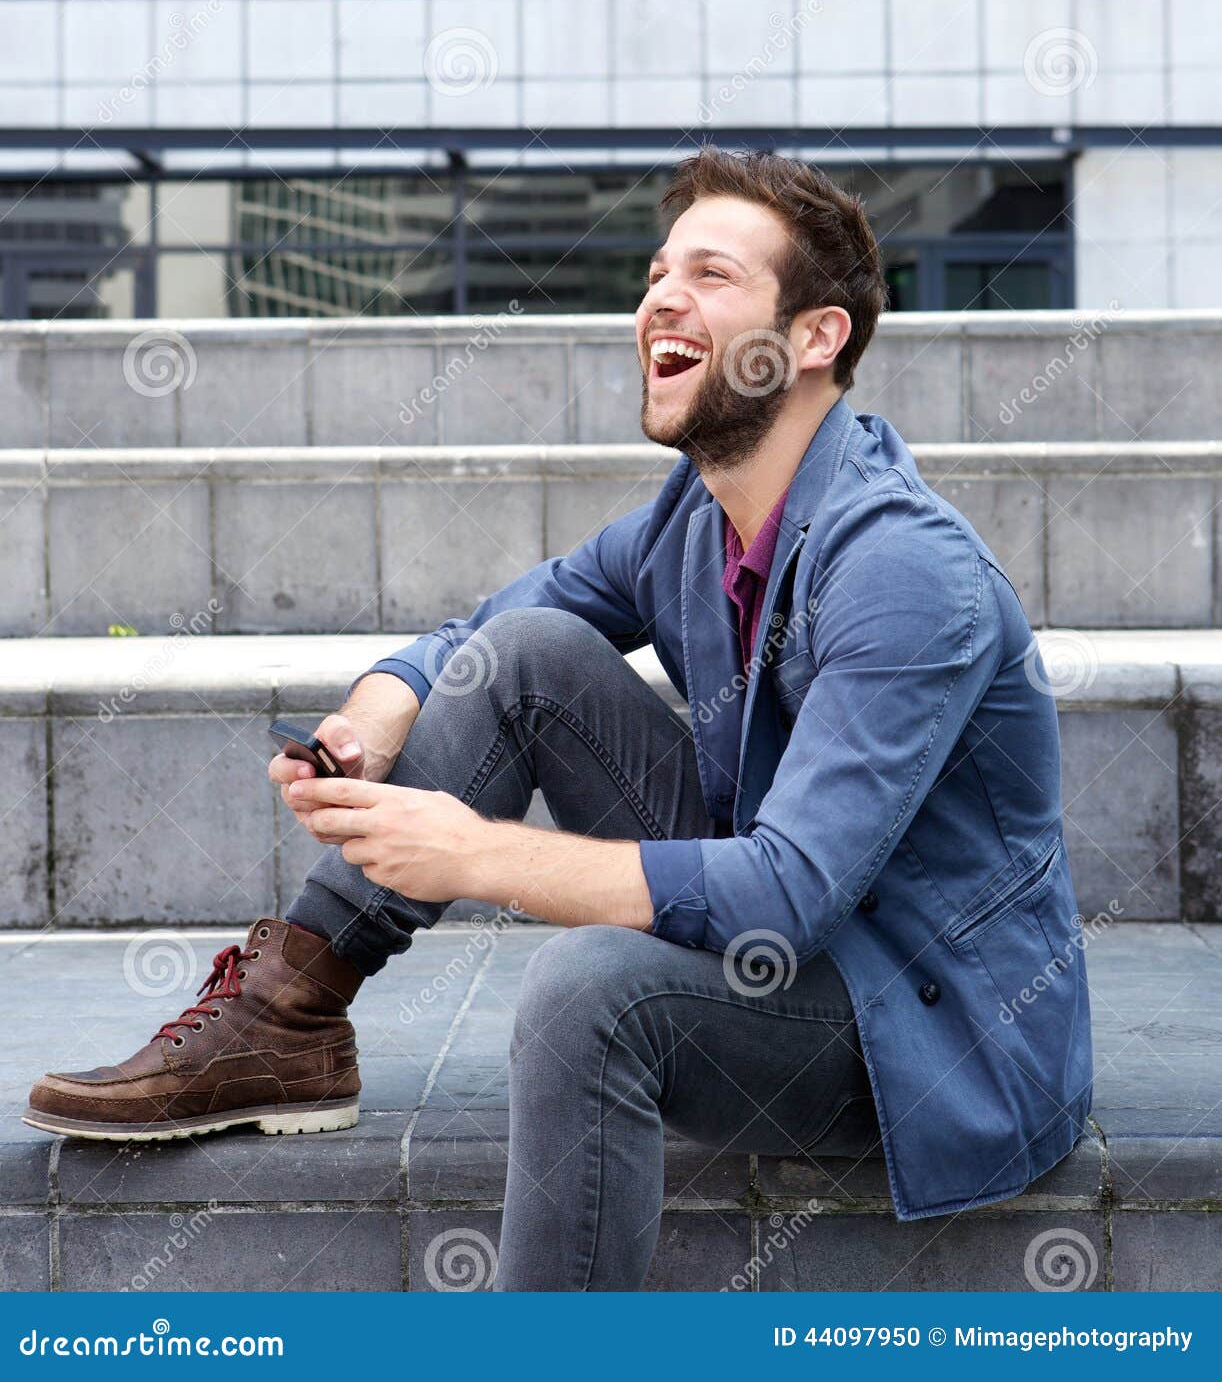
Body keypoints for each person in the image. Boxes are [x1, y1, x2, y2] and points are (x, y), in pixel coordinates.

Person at [26, 146, 1092, 1291]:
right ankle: (290, 1016)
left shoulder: (901, 571)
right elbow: (502, 625)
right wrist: (385, 701)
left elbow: (786, 888)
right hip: (800, 935)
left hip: (924, 1028)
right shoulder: (697, 512)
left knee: (590, 995)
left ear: (815, 338)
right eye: (654, 273)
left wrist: (479, 854)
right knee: (522, 658)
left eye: (712, 276)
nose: (660, 300)